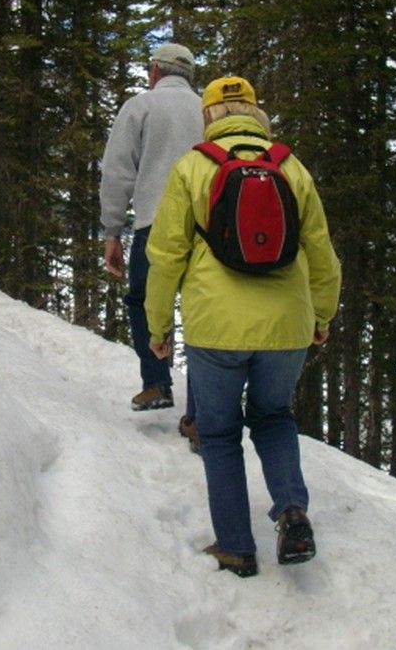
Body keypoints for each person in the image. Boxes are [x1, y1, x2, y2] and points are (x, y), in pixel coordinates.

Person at [144, 76, 341, 577]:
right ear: (256, 113)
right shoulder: (290, 166)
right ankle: (291, 511)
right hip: (286, 324)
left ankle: (235, 547)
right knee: (274, 417)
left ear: (208, 116)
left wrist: (158, 327)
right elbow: (322, 254)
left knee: (219, 433)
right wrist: (321, 316)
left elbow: (165, 256)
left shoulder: (194, 166)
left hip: (216, 326)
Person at [99, 43, 204, 417]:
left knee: (143, 299)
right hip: (204, 227)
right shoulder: (207, 111)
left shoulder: (140, 106)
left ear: (155, 71)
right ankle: (202, 411)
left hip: (154, 223)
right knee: (201, 310)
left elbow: (117, 172)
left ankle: (157, 382)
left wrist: (112, 231)